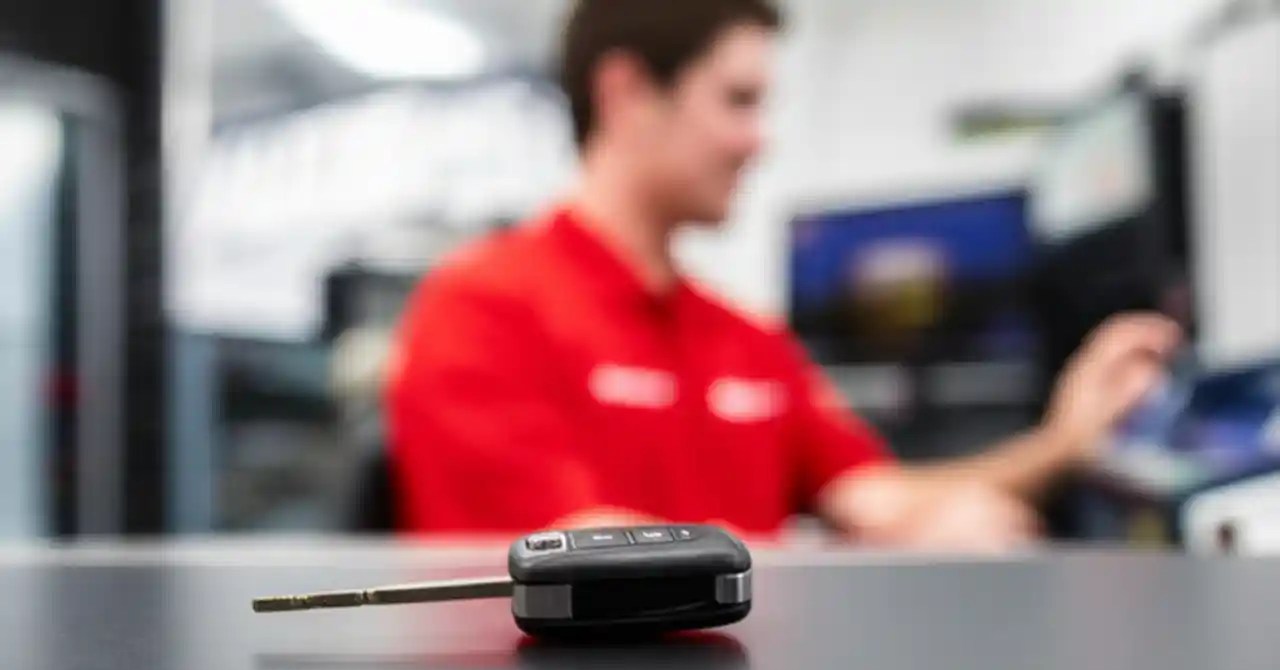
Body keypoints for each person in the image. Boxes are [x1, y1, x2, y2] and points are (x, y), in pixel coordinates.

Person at [386, 0, 1180, 550]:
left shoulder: (745, 339)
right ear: (627, 93)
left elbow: (883, 502)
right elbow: (582, 559)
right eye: (737, 101)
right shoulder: (478, 309)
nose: (757, 141)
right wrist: (835, 559)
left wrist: (1065, 443)